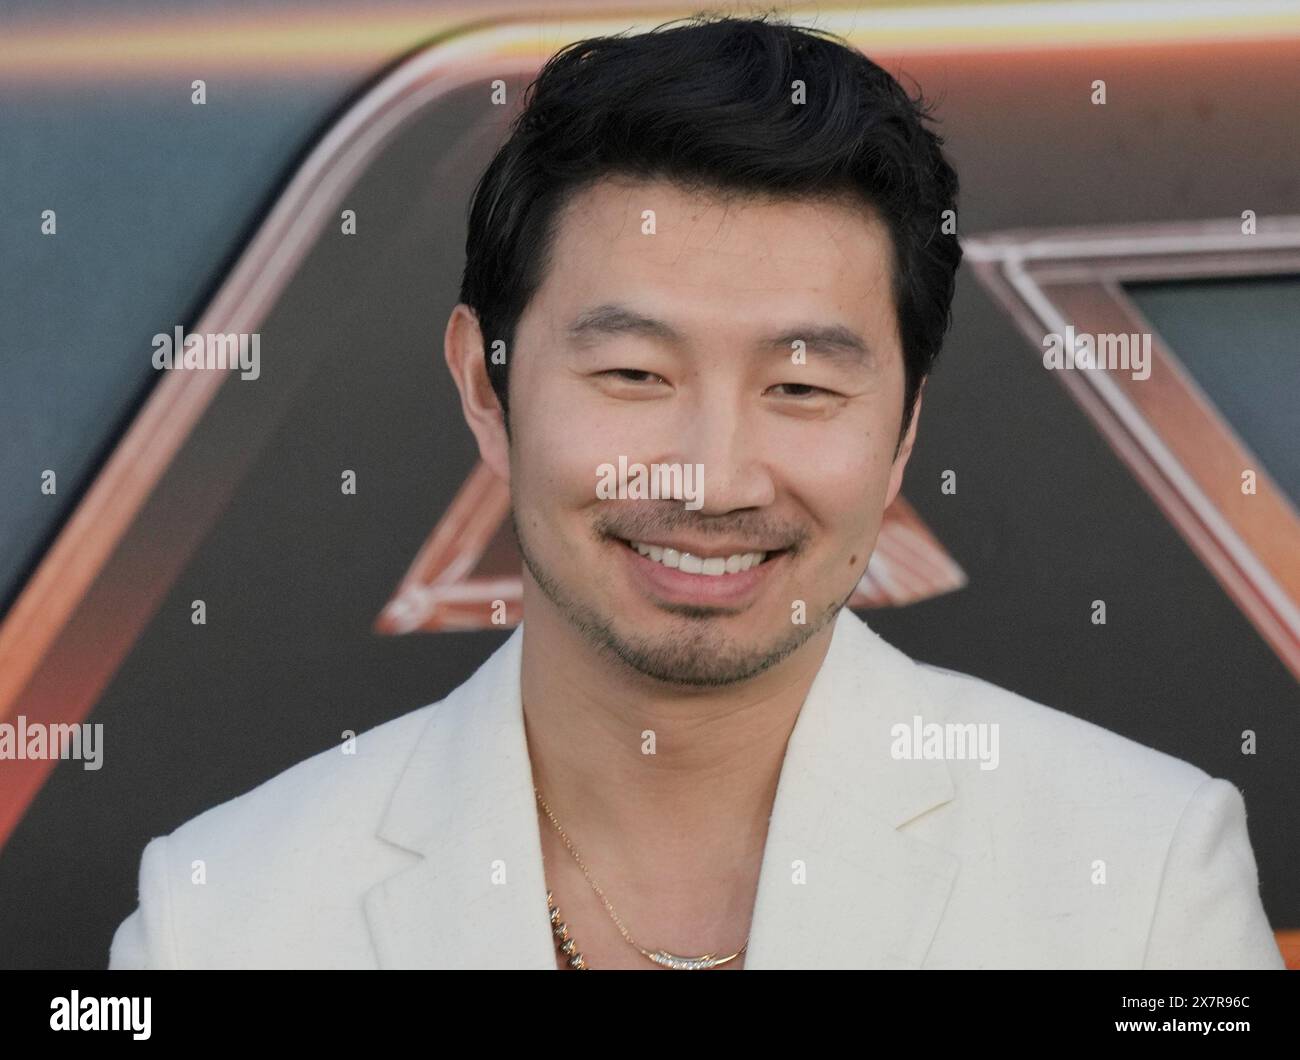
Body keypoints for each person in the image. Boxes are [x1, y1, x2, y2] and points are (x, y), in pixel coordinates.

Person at [109, 13, 1284, 970]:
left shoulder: (1139, 877)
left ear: (905, 427)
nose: (712, 478)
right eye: (633, 373)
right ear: (485, 383)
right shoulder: (225, 918)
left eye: (803, 385)